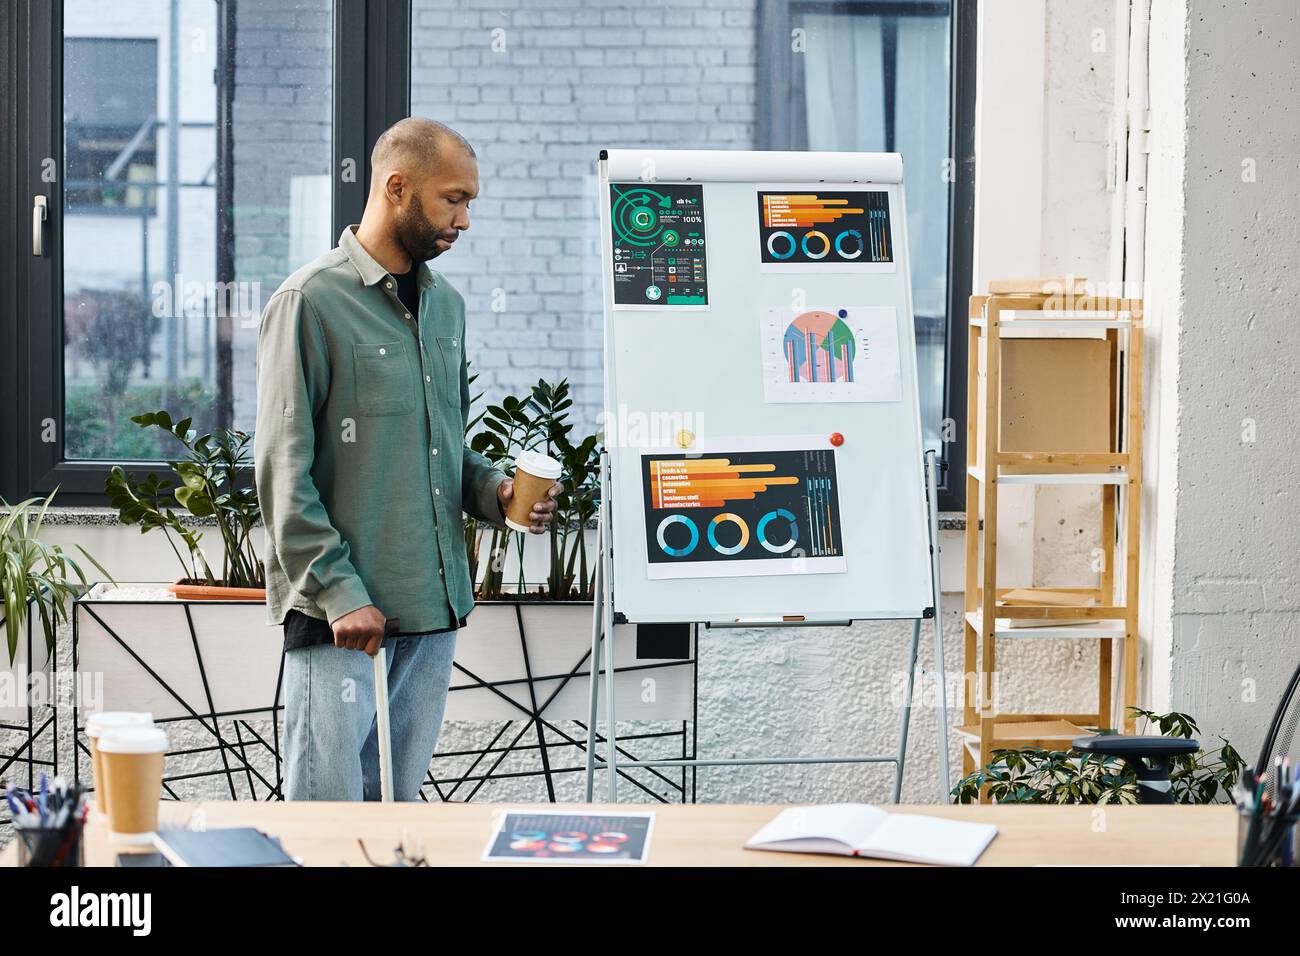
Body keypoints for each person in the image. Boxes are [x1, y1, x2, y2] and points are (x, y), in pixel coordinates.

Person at [254, 118, 561, 801]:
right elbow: (282, 471)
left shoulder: (445, 307)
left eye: (469, 202)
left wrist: (497, 492)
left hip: (432, 609)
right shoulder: (308, 302)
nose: (466, 219)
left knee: (395, 811)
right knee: (325, 811)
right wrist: (339, 593)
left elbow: (441, 444)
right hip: (344, 619)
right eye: (454, 199)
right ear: (398, 188)